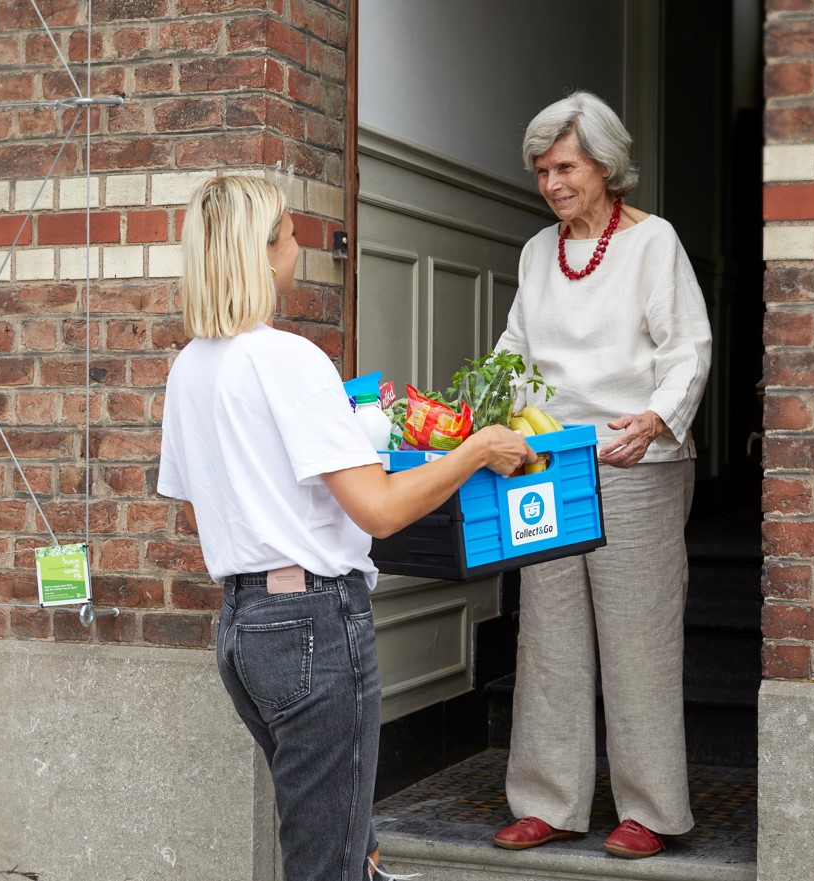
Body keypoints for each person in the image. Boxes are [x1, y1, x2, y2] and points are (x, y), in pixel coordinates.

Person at [156, 175, 535, 881]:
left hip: (242, 627)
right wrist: (477, 449)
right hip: (313, 624)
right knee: (325, 862)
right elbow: (379, 510)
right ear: (262, 252)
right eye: (290, 233)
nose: (299, 245)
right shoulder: (289, 359)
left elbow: (205, 502)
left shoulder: (188, 369)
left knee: (339, 841)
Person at [490, 91, 713, 859]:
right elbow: (513, 350)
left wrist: (654, 419)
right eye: (541, 171)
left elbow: (687, 349)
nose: (551, 184)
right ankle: (548, 801)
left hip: (632, 458)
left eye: (565, 167)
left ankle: (649, 809)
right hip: (548, 460)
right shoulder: (536, 251)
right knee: (547, 636)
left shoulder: (653, 242)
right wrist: (484, 413)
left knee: (637, 635)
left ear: (606, 166)